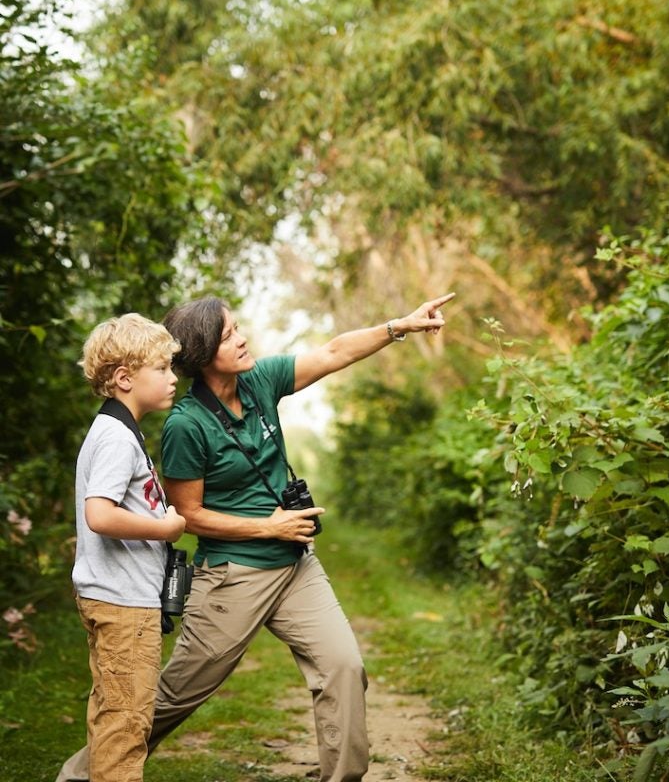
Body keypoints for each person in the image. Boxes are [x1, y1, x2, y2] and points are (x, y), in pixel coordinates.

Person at [56, 292, 454, 782]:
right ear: (204, 353)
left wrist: (399, 326)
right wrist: (268, 526)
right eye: (229, 336)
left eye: (238, 328)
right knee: (170, 697)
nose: (242, 339)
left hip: (295, 567)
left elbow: (333, 352)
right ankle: (82, 774)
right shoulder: (185, 424)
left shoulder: (260, 380)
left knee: (344, 667)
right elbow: (188, 514)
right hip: (233, 575)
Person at [58, 314, 186, 782]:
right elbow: (100, 515)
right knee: (126, 725)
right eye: (162, 368)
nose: (173, 378)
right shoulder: (116, 437)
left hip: (115, 596)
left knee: (111, 713)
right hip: (124, 602)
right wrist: (165, 529)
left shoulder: (119, 430)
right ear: (124, 378)